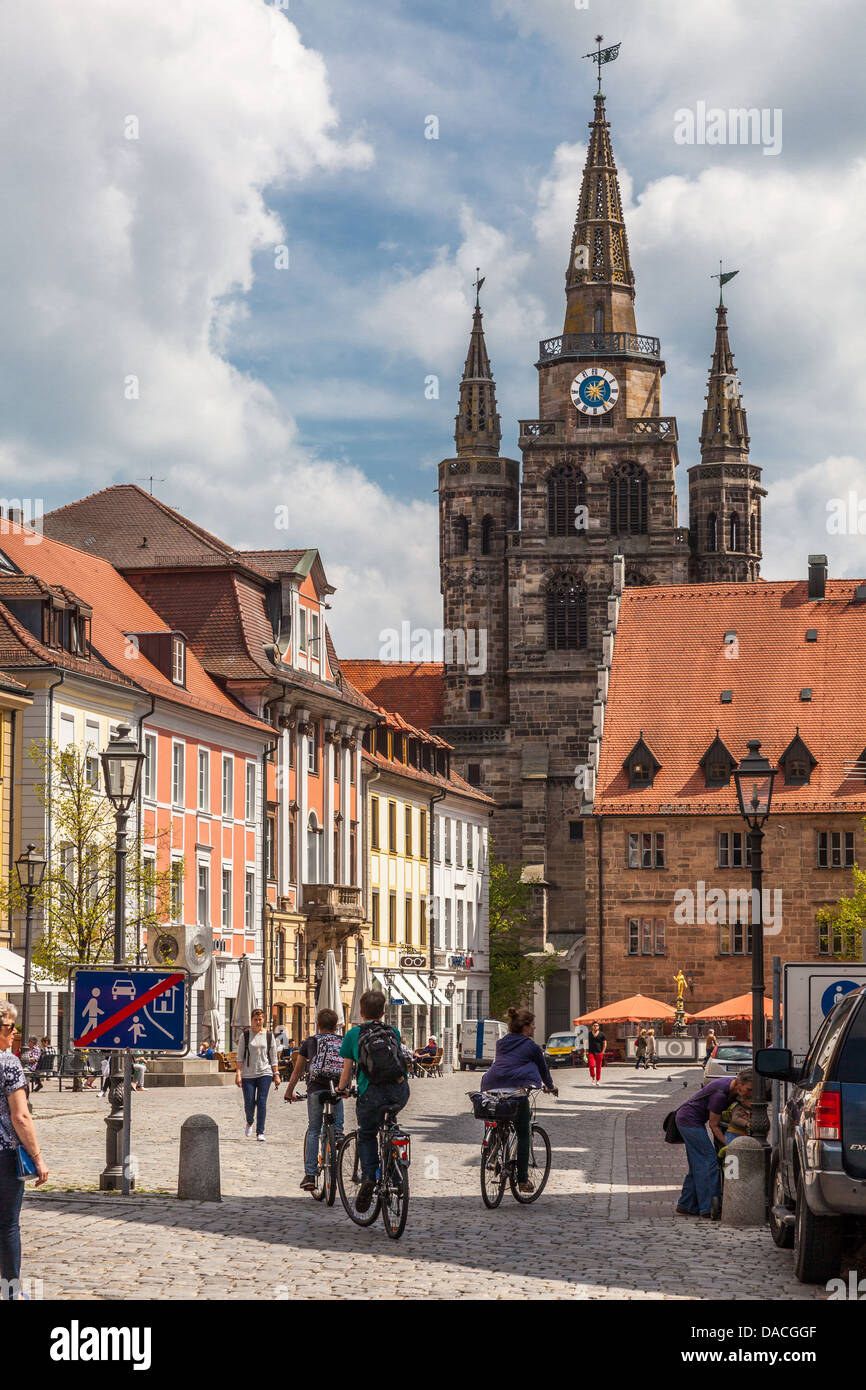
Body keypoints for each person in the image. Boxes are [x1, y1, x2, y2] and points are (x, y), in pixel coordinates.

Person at [337, 989, 409, 1213]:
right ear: (384, 1011)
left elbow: (347, 1071)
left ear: (361, 1011)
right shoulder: (393, 1032)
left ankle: (369, 1177)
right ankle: (396, 1171)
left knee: (367, 1134)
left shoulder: (353, 1034)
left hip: (371, 1095)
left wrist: (342, 1089)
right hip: (399, 1092)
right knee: (391, 1123)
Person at [479, 1006, 557, 1195]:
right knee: (523, 1133)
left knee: (497, 1118)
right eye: (532, 1025)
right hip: (516, 1092)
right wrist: (550, 1086)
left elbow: (507, 1063)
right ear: (525, 1027)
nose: (534, 1028)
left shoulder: (501, 1043)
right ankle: (522, 1180)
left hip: (492, 1087)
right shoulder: (532, 1047)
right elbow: (543, 1069)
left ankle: (493, 1153)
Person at [0, 1000, 48, 1300]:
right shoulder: (8, 1063)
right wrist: (38, 1158)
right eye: (9, 1026)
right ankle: (11, 1292)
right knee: (7, 1225)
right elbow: (20, 1116)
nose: (13, 1032)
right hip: (3, 1154)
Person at [674, 1068, 753, 1219]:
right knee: (709, 1160)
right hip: (688, 1120)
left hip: (690, 1119)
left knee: (697, 1164)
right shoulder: (720, 1094)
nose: (749, 1094)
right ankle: (708, 1207)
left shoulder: (732, 1088)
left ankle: (686, 1205)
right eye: (748, 1090)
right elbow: (714, 1125)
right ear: (740, 1084)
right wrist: (729, 1146)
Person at [285, 1008, 345, 1192]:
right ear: (336, 1026)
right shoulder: (342, 1041)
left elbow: (297, 1071)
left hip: (316, 1088)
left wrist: (289, 1092)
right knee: (336, 1120)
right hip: (337, 1087)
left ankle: (310, 1175)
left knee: (313, 1129)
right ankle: (339, 1133)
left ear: (317, 1024)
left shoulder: (310, 1042)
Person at [235, 1008, 280, 1141]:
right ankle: (249, 1121)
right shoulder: (246, 1035)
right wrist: (238, 1073)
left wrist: (276, 1074)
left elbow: (273, 1057)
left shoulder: (269, 1035)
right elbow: (239, 1057)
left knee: (262, 1102)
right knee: (249, 1103)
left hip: (264, 1072)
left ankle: (260, 1132)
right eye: (256, 1019)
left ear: (263, 1019)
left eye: (260, 1019)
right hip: (248, 1074)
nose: (258, 1022)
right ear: (252, 1020)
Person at [587, 1020, 607, 1085]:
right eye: (594, 1026)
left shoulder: (602, 1034)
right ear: (592, 1027)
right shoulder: (589, 1034)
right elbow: (585, 1042)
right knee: (591, 1065)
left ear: (598, 1027)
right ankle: (593, 1078)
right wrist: (584, 1051)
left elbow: (605, 1043)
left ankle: (598, 1080)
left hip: (599, 1052)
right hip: (591, 1052)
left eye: (597, 1026)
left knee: (598, 1067)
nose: (595, 1027)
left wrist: (603, 1051)